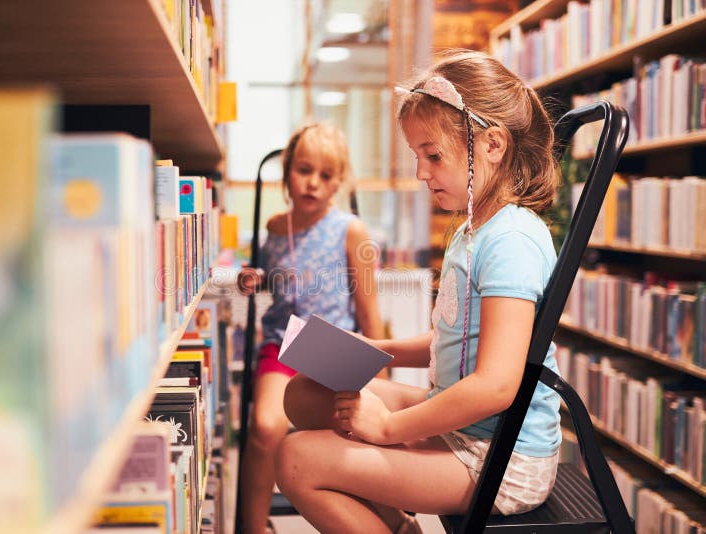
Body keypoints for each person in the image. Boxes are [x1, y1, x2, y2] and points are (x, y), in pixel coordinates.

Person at [274, 49, 562, 534]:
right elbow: (458, 339)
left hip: (498, 458)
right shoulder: (477, 229)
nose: (421, 172)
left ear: (492, 145)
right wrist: (380, 351)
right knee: (305, 393)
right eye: (416, 156)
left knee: (296, 460)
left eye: (434, 156)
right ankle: (397, 523)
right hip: (462, 424)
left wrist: (387, 428)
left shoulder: (511, 240)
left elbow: (495, 384)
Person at [237, 122, 385, 534]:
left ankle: (388, 519)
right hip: (282, 343)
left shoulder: (350, 230)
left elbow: (368, 310)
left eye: (325, 175)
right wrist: (256, 278)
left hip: (334, 346)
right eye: (304, 170)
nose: (313, 183)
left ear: (338, 181)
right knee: (264, 427)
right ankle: (253, 528)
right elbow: (278, 276)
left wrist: (379, 377)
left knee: (354, 433)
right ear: (287, 173)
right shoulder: (273, 228)